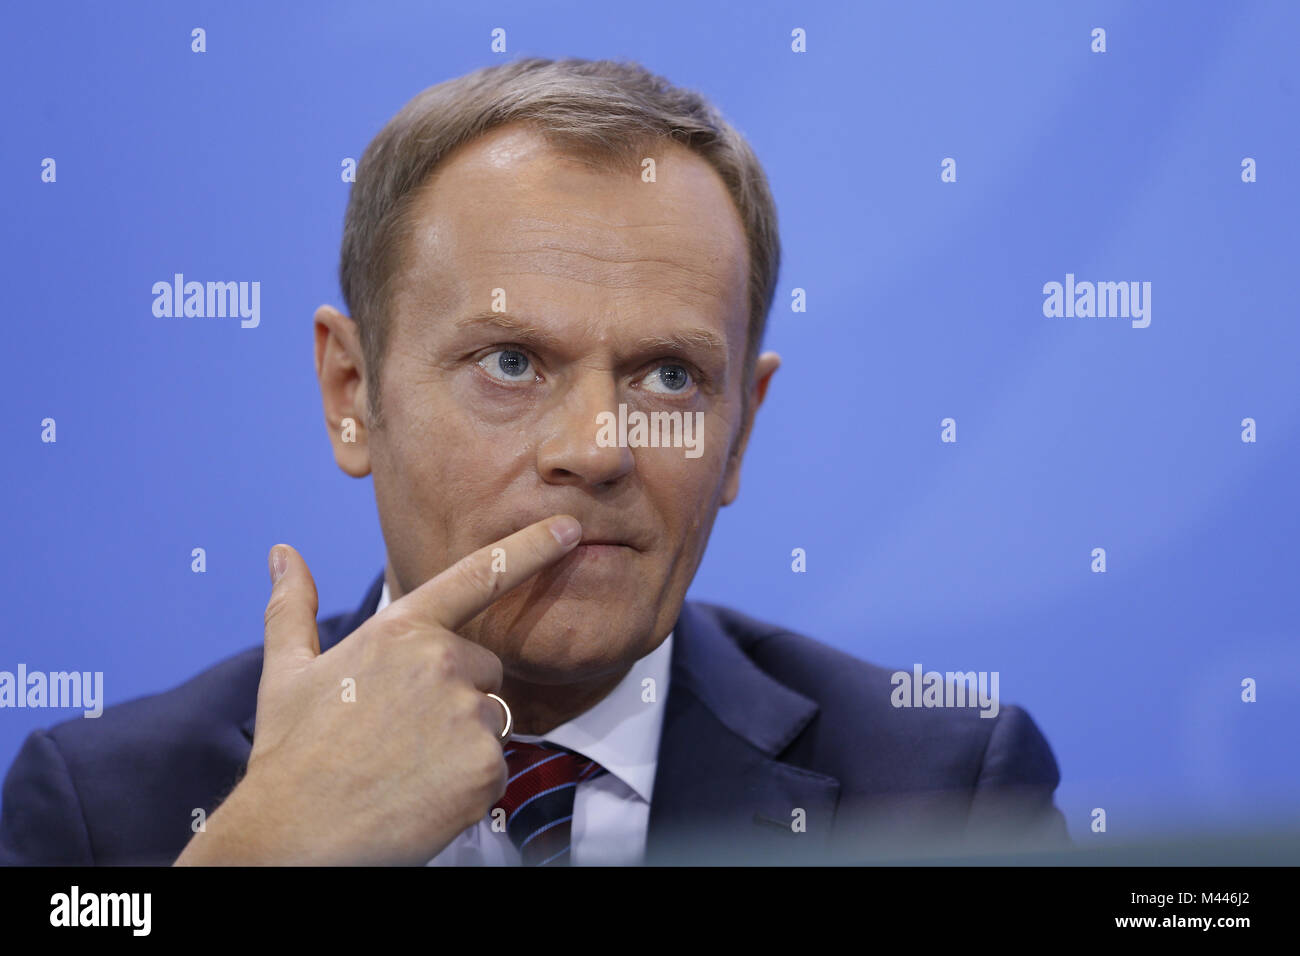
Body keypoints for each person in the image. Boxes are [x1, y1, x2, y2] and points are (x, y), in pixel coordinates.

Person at [0, 56, 1069, 866]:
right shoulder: (109, 807)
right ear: (351, 395)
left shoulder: (940, 790)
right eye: (511, 362)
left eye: (666, 378)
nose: (598, 448)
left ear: (739, 427)